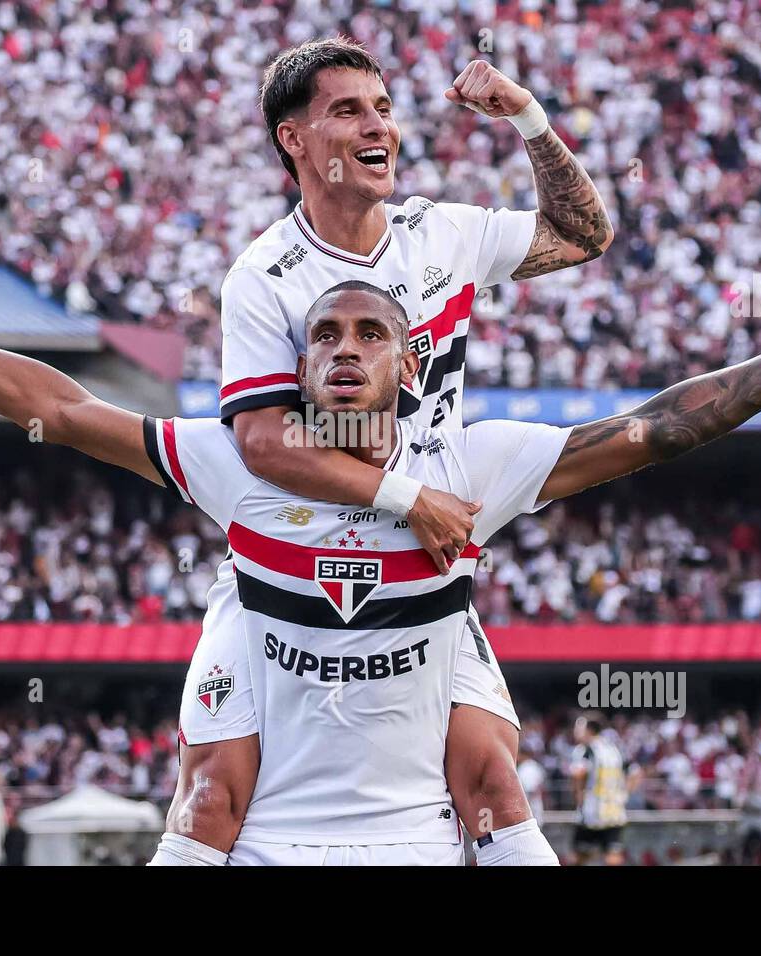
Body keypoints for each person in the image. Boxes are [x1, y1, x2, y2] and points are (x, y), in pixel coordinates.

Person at [0, 232, 761, 862]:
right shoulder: (237, 460)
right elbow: (64, 406)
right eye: (321, 329)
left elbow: (653, 426)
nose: (340, 344)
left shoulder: (470, 470)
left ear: (408, 365)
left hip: (415, 830)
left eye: (368, 330)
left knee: (491, 776)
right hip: (268, 824)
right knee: (203, 797)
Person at [172, 37, 613, 866]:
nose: (378, 126)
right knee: (211, 802)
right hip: (300, 555)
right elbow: (264, 442)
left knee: (496, 786)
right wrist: (409, 499)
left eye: (383, 107)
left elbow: (585, 234)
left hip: (428, 557)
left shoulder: (441, 232)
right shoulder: (265, 275)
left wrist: (526, 116)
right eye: (348, 110)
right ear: (293, 140)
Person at [569, 713, 632, 865]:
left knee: (579, 856)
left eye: (579, 728)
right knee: (613, 856)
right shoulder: (614, 749)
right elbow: (635, 772)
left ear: (589, 730)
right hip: (614, 811)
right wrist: (624, 793)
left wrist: (578, 798)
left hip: (591, 812)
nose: (576, 732)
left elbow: (578, 774)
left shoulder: (585, 750)